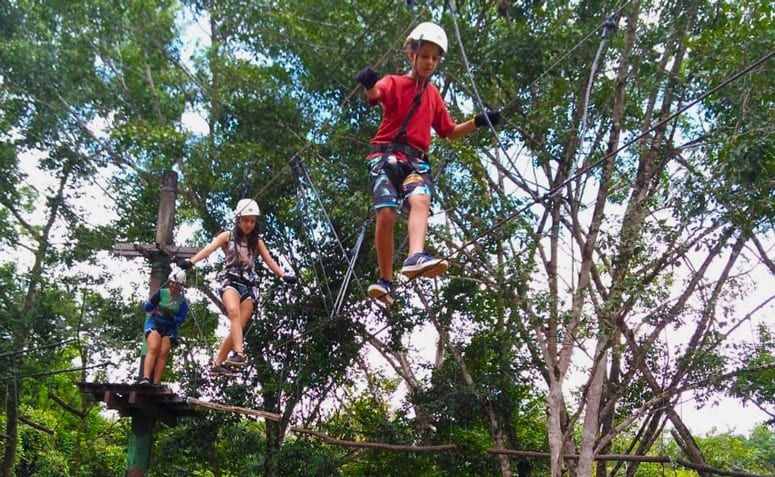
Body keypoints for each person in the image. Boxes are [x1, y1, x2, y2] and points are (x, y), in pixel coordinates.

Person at [356, 21, 500, 305]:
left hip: (416, 161)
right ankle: (386, 280)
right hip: (386, 156)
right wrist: (369, 84)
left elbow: (449, 131)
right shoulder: (395, 82)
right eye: (424, 56)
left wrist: (477, 122)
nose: (429, 62)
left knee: (421, 198)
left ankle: (415, 256)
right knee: (386, 213)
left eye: (435, 58)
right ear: (412, 55)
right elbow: (376, 96)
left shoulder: (433, 95)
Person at [177, 198, 297, 376]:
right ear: (238, 220)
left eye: (252, 221)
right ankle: (239, 354)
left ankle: (217, 364)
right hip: (230, 281)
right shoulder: (227, 236)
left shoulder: (257, 242)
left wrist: (283, 275)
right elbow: (209, 249)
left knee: (238, 327)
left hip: (248, 286)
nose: (249, 224)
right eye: (246, 220)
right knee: (233, 312)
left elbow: (269, 260)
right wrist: (191, 262)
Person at [138, 268, 189, 386]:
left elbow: (181, 319)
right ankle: (146, 378)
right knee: (153, 347)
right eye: (172, 283)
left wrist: (172, 317)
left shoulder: (182, 301)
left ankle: (156, 382)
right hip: (155, 323)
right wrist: (152, 303)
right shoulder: (161, 293)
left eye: (176, 284)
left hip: (170, 328)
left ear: (181, 286)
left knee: (163, 352)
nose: (173, 286)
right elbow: (148, 308)